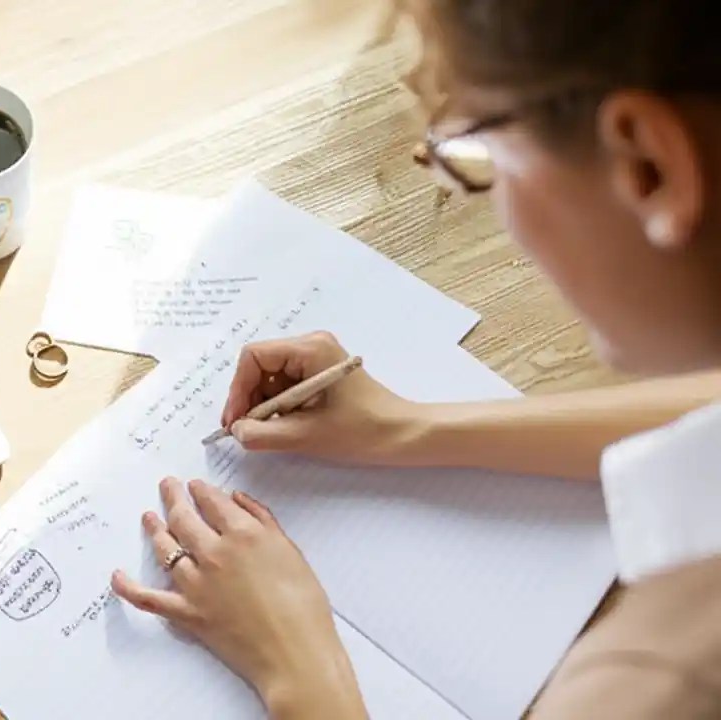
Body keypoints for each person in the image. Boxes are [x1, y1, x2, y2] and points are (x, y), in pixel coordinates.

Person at [110, 0, 721, 717]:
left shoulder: (656, 678)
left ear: (648, 166)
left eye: (479, 154)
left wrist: (298, 668)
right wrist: (410, 428)